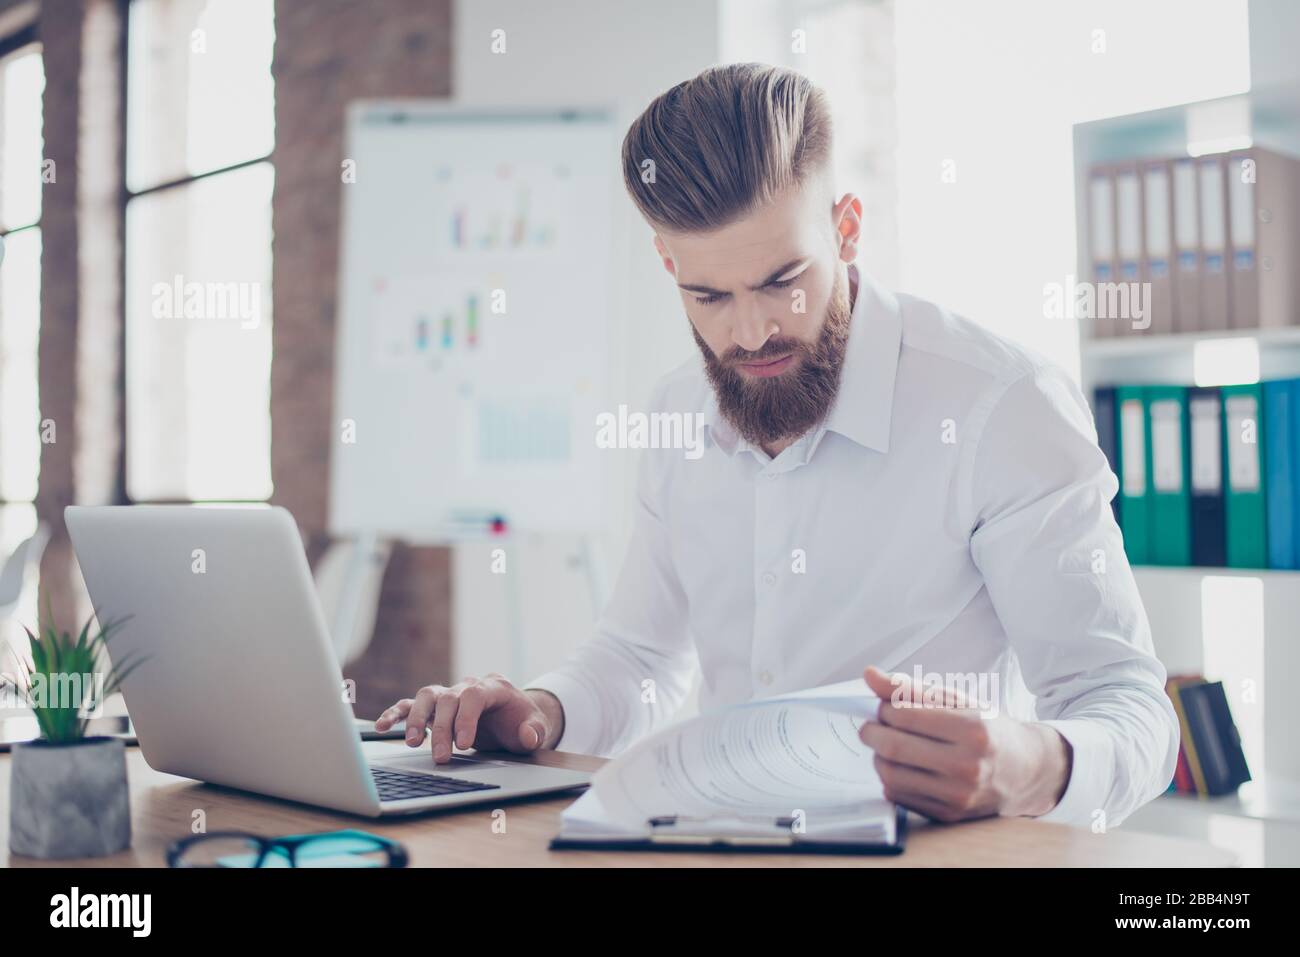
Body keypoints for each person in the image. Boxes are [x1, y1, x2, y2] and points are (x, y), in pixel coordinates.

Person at [375, 63, 1178, 827]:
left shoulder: (1002, 406)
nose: (750, 330)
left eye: (780, 281)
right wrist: (542, 713)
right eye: (709, 295)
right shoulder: (676, 412)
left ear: (847, 228)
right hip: (717, 842)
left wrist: (1030, 764)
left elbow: (1132, 708)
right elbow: (640, 655)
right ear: (668, 264)